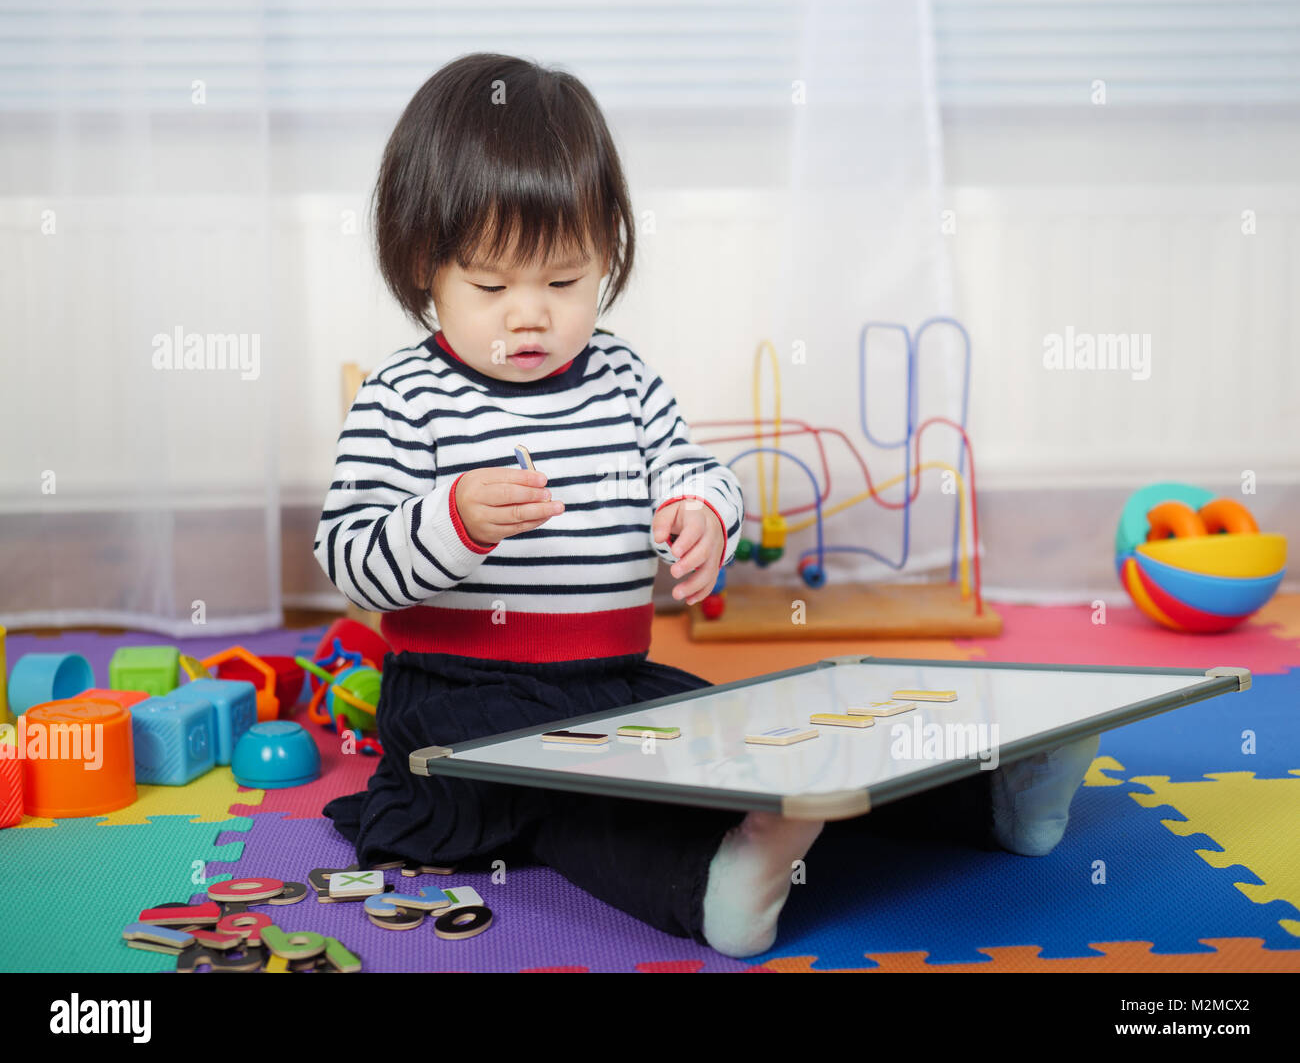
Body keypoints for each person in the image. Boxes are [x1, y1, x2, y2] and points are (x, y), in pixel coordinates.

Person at [313, 52, 1098, 958]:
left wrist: (703, 515)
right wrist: (448, 519)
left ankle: (991, 801)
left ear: (608, 252)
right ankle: (712, 886)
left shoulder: (622, 376)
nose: (528, 315)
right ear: (424, 266)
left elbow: (693, 467)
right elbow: (351, 556)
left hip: (612, 683)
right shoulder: (403, 399)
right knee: (558, 795)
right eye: (491, 287)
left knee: (753, 742)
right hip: (462, 702)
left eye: (564, 281)